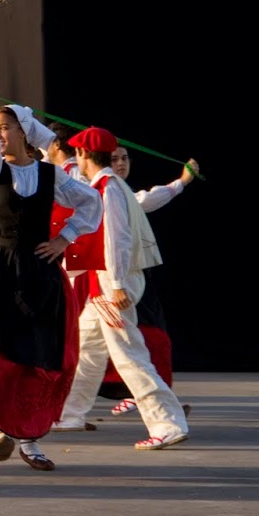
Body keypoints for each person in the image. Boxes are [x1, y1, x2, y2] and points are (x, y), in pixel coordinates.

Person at [0, 71, 100, 470]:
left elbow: (90, 203)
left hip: (37, 272)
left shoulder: (51, 175)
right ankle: (1, 429)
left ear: (24, 133)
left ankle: (30, 439)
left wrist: (64, 239)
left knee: (36, 355)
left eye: (6, 128)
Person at [52, 128, 191, 449]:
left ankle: (168, 422)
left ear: (86, 154)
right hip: (107, 282)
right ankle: (71, 413)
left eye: (78, 153)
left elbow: (116, 239)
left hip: (112, 282)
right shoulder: (108, 186)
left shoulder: (108, 189)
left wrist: (115, 285)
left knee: (129, 353)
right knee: (88, 347)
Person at [100, 147, 200, 414]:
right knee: (119, 341)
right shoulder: (107, 191)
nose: (121, 164)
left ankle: (151, 398)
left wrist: (181, 182)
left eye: (124, 158)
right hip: (113, 280)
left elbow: (147, 199)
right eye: (114, 159)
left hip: (130, 278)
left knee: (143, 339)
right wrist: (181, 182)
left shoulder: (120, 192)